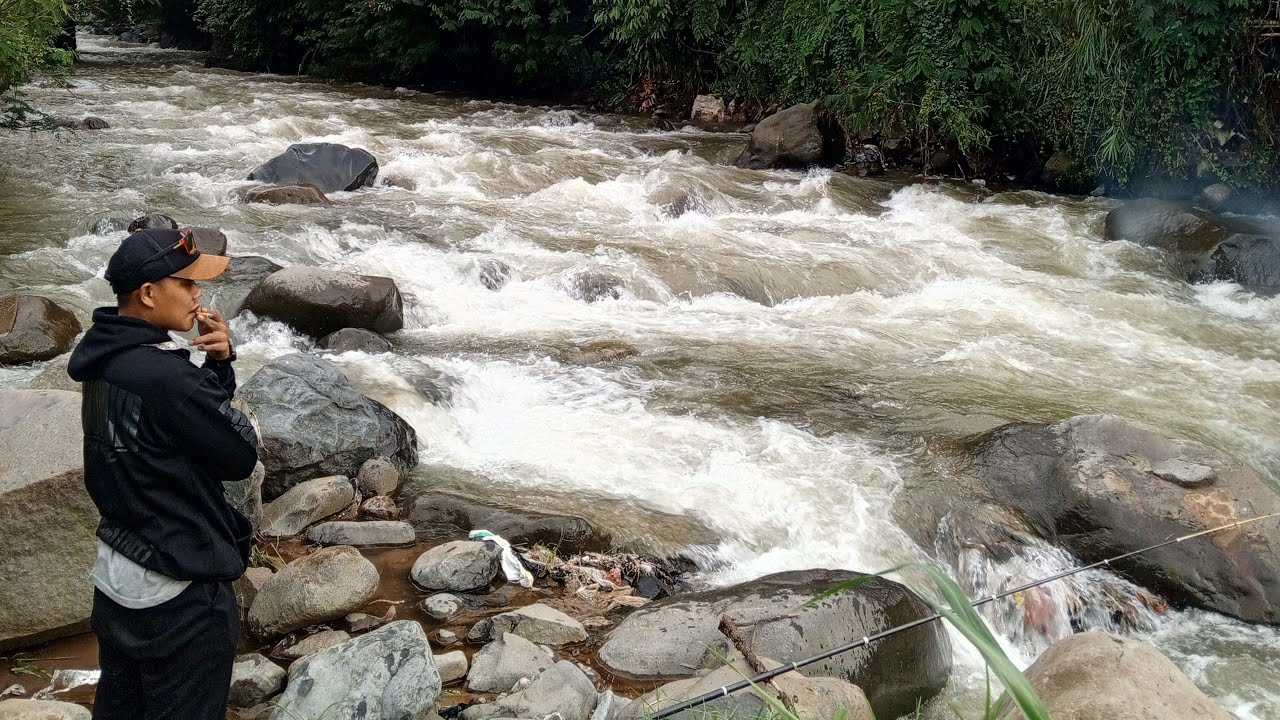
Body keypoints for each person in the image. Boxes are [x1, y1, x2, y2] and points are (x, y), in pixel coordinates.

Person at [67, 228, 260, 720]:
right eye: (187, 283)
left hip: (119, 573)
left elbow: (167, 440)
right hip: (182, 596)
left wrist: (214, 364)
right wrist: (220, 369)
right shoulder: (169, 377)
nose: (198, 294)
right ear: (150, 294)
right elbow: (237, 456)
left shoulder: (102, 358)